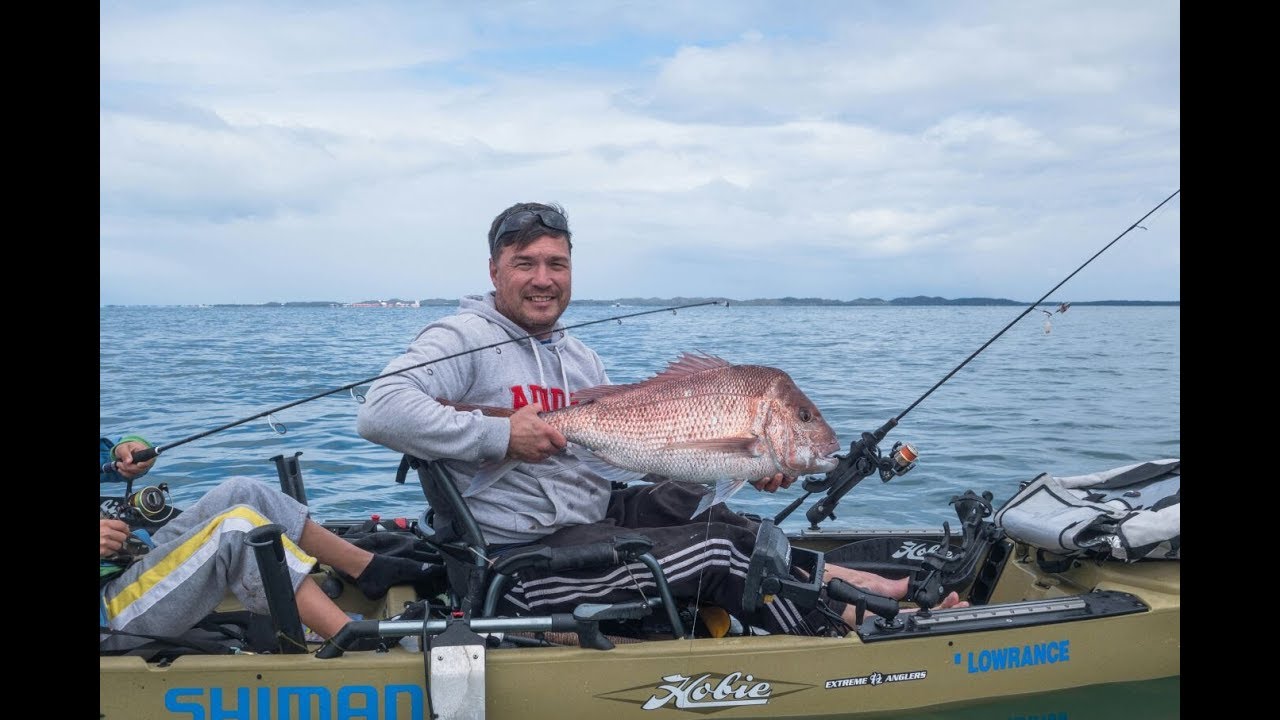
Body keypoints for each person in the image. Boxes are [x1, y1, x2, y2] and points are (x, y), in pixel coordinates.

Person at [356, 201, 964, 636]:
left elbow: (633, 453)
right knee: (718, 551)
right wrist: (499, 433)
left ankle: (854, 582)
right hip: (523, 560)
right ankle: (849, 632)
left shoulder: (578, 355)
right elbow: (381, 411)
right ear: (495, 271)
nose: (543, 279)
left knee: (717, 512)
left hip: (591, 515)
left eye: (557, 264)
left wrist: (739, 467)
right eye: (525, 263)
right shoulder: (463, 337)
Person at [99, 434, 435, 652]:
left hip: (126, 558)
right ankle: (352, 638)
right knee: (237, 531)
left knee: (243, 491)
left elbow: (110, 463)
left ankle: (370, 569)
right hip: (108, 615)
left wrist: (121, 451)